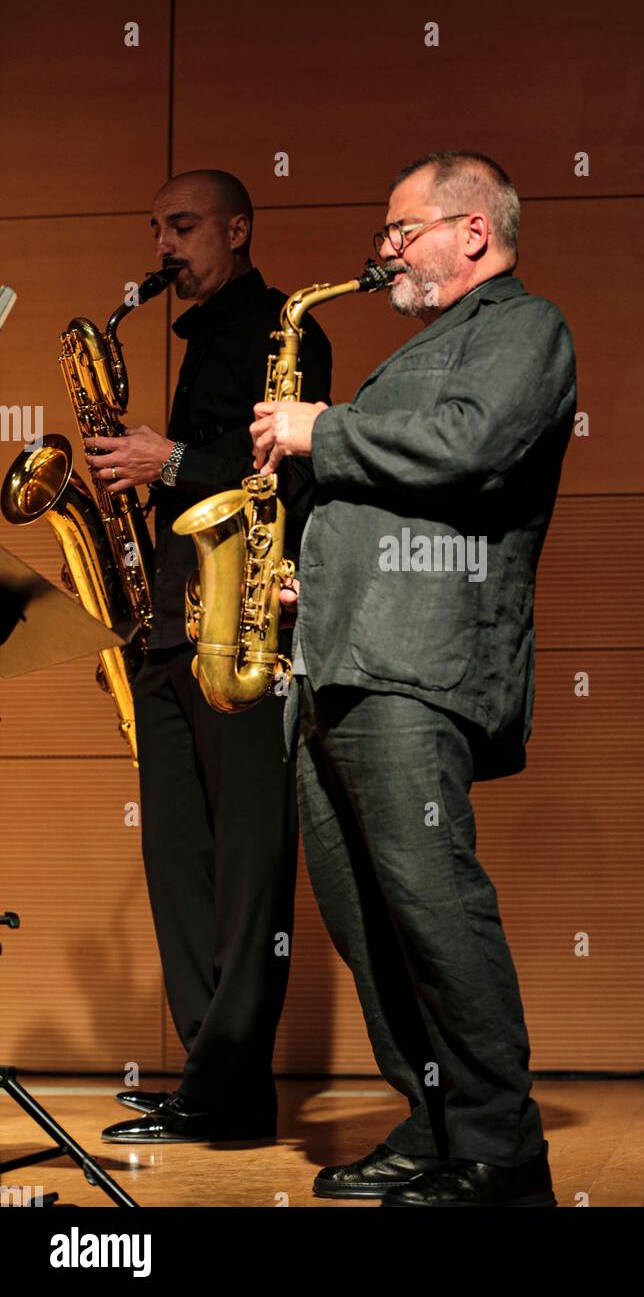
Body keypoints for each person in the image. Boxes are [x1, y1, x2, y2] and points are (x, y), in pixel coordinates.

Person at [251, 150, 575, 1205]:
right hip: (339, 661)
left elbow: (467, 448)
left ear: (470, 230)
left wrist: (318, 429)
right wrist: (310, 579)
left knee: (432, 907)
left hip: (417, 664)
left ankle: (501, 1149)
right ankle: (433, 1121)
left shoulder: (525, 330)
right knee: (365, 919)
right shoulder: (425, 348)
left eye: (400, 230)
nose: (382, 251)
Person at [86, 169, 331, 1143]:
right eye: (154, 228)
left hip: (239, 627)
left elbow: (292, 470)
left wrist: (171, 461)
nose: (163, 245)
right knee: (177, 856)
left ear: (238, 227)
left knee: (245, 866)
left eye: (181, 226)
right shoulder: (196, 341)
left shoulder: (286, 332)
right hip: (167, 623)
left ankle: (232, 1087)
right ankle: (206, 1077)